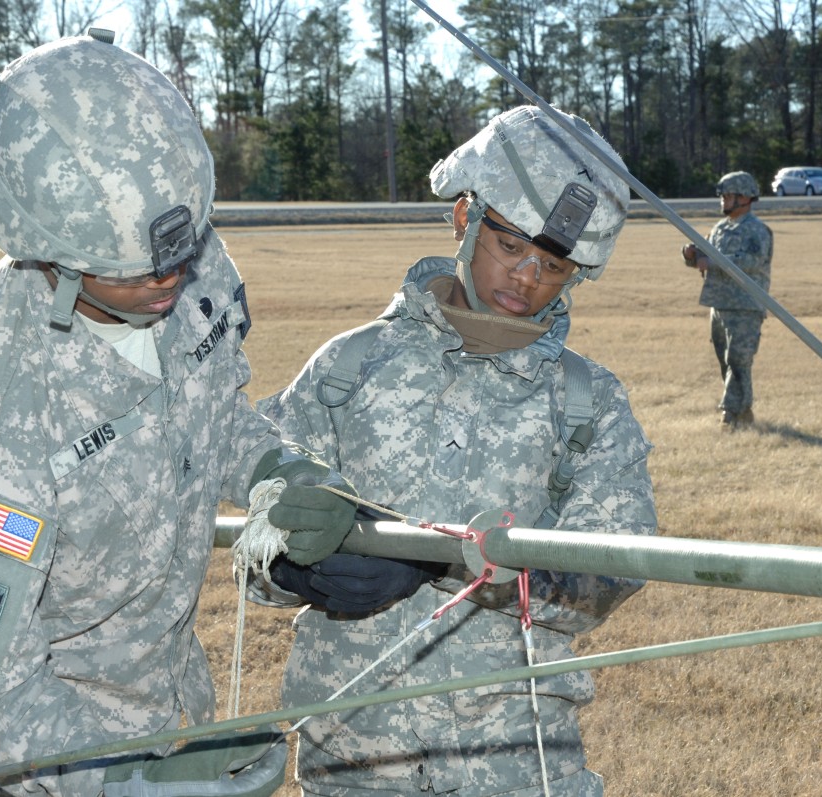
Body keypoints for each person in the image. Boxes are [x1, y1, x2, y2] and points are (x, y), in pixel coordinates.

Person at [0, 30, 356, 796]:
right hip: (20, 753)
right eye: (136, 270)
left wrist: (280, 471)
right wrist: (125, 781)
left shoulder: (185, 257)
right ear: (45, 248)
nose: (170, 279)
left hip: (153, 699)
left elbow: (210, 411)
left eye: (180, 254)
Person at [251, 105, 658, 796]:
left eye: (553, 264)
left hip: (515, 756)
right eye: (511, 245)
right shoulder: (349, 367)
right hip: (353, 754)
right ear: (465, 217)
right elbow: (257, 526)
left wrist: (455, 564)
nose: (527, 277)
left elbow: (615, 571)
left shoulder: (587, 401)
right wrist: (289, 563)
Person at [680, 170, 773, 430]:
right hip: (719, 303)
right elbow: (703, 258)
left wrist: (712, 261)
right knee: (726, 361)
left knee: (738, 360)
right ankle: (742, 411)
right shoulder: (720, 229)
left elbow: (752, 261)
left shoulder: (757, 230)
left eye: (728, 195)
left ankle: (731, 413)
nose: (722, 200)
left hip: (745, 306)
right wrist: (690, 254)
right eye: (722, 196)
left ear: (744, 198)